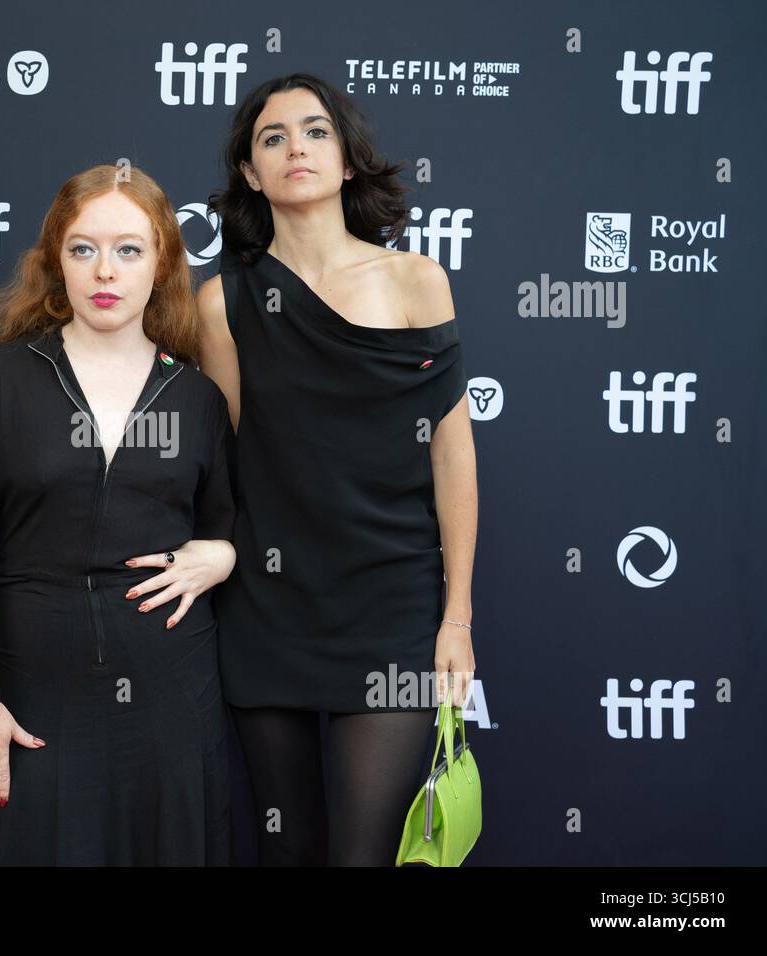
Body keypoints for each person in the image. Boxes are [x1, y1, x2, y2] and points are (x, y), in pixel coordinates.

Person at [198, 73, 480, 866]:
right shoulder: (222, 304)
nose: (297, 149)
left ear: (348, 159)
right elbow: (225, 458)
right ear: (250, 172)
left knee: (366, 855)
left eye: (316, 131)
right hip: (268, 607)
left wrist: (456, 616)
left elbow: (452, 455)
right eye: (273, 137)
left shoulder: (417, 281)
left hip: (390, 602)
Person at [0, 164, 237, 865]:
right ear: (55, 260)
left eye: (129, 249)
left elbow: (226, 529)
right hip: (31, 693)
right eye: (83, 248)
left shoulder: (196, 398)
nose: (105, 270)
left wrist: (222, 555)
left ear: (161, 264)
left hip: (171, 692)